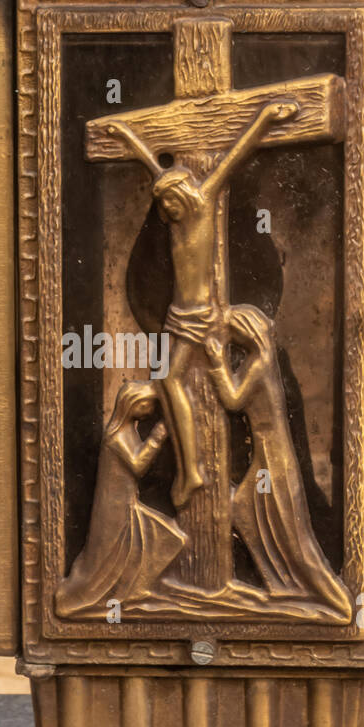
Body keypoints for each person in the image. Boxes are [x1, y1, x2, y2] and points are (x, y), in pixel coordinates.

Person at [101, 99, 297, 507]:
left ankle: (190, 471)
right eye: (162, 204)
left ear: (186, 194)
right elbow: (151, 165)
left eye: (171, 202)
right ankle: (189, 468)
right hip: (179, 315)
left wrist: (263, 119)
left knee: (173, 381)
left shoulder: (202, 205)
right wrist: (125, 135)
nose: (166, 210)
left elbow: (233, 157)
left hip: (200, 315)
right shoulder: (173, 211)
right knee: (168, 382)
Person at [204, 305, 351, 619]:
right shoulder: (263, 360)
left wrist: (215, 360)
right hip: (268, 451)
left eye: (232, 331)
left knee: (275, 518)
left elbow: (231, 399)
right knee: (249, 510)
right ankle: (278, 584)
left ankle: (298, 586)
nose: (229, 337)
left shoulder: (259, 364)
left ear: (246, 333)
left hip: (272, 454)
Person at [55, 381, 186, 618]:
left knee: (169, 540)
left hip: (128, 503)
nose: (150, 409)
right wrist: (157, 437)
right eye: (147, 405)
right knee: (106, 560)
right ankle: (98, 596)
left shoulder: (129, 432)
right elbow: (138, 466)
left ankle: (134, 590)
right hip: (114, 508)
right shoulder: (117, 437)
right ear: (132, 406)